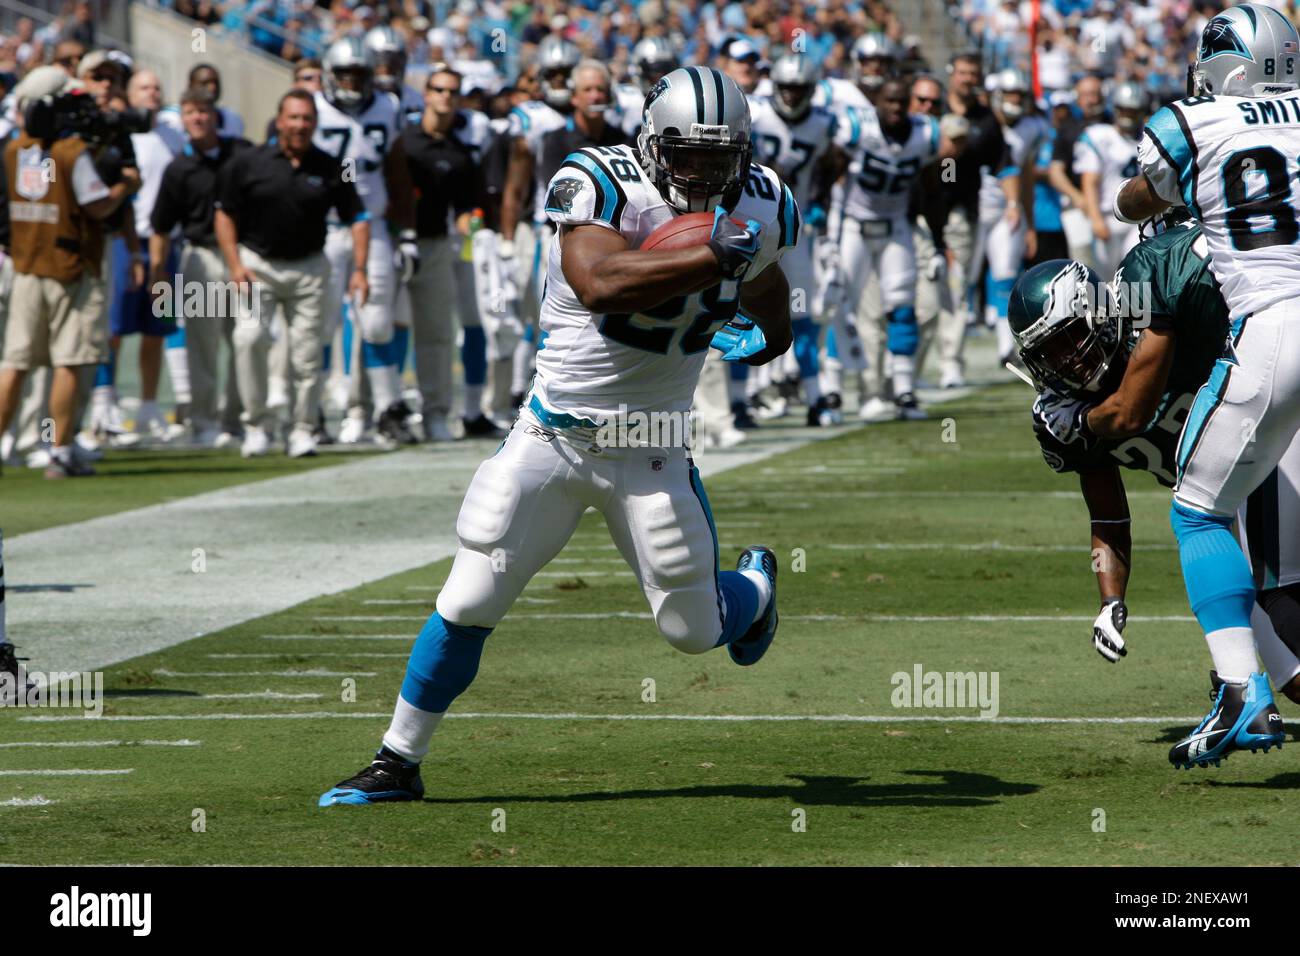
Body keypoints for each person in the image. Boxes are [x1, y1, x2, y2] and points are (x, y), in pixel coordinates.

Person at [320, 66, 797, 805]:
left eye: (719, 158)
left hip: (652, 445)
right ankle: (397, 762)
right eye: (688, 155)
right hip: (554, 435)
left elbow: (764, 281)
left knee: (692, 630)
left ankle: (754, 592)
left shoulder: (762, 200)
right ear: (652, 142)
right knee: (469, 598)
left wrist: (770, 333)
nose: (704, 175)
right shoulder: (600, 180)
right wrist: (713, 256)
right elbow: (599, 282)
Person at [1010, 218, 1300, 717]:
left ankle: (1239, 696)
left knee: (1281, 604)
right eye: (1049, 355)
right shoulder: (1063, 410)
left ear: (1097, 313)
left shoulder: (1148, 325)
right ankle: (1242, 695)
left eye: (1069, 339)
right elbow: (1107, 516)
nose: (1068, 362)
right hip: (1229, 511)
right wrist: (1110, 600)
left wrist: (1082, 422)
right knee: (1290, 669)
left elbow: (1129, 413)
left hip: (1277, 451)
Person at [1114, 3, 1300, 768]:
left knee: (1198, 511)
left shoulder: (1193, 122)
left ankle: (1240, 686)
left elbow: (1135, 198)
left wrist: (1150, 197)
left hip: (1275, 327)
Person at [0, 66, 140, 478]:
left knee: (15, 362)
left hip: (27, 266)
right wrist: (126, 186)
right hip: (72, 268)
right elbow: (97, 206)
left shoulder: (14, 150)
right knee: (71, 361)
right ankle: (59, 451)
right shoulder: (72, 153)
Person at [214, 89, 369, 459]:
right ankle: (256, 425)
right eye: (294, 118)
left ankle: (302, 428)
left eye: (307, 119)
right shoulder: (248, 162)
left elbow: (358, 217)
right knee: (249, 339)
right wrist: (234, 264)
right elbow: (224, 213)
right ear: (280, 120)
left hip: (309, 267)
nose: (300, 125)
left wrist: (360, 269)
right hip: (257, 265)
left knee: (307, 355)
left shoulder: (334, 166)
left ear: (315, 123)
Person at [832, 78, 963, 422]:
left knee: (902, 305)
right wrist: (823, 222)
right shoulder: (857, 127)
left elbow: (931, 190)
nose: (895, 108)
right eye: (889, 101)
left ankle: (904, 391)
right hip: (854, 225)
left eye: (900, 102)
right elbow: (828, 173)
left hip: (895, 225)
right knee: (840, 303)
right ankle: (832, 390)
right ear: (877, 101)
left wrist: (938, 243)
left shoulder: (925, 134)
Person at [313, 37, 417, 448]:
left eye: (359, 75)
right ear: (329, 74)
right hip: (323, 227)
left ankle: (387, 409)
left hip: (371, 226)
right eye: (344, 75)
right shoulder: (312, 107)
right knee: (320, 323)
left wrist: (406, 234)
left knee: (376, 322)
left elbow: (398, 172)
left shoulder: (387, 107)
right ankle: (311, 412)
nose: (352, 83)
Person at [399, 65, 494, 441]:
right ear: (426, 93)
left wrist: (470, 228)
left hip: (436, 244)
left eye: (452, 92)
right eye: (439, 89)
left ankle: (435, 412)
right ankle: (374, 410)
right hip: (392, 240)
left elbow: (467, 205)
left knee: (437, 331)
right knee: (381, 327)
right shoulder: (402, 141)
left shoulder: (459, 152)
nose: (445, 97)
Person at [151, 86, 250, 446]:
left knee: (248, 340)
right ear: (182, 118)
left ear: (215, 115)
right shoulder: (178, 167)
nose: (197, 118)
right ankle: (204, 420)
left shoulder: (240, 153)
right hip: (199, 256)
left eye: (203, 111)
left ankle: (237, 418)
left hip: (242, 257)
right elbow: (161, 226)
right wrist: (158, 274)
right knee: (202, 347)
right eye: (190, 112)